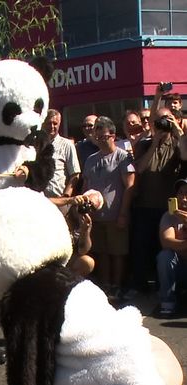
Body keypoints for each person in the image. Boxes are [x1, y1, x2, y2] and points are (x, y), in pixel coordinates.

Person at [130, 107, 185, 295]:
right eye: (159, 120)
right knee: (141, 248)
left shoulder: (178, 143)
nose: (163, 124)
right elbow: (140, 168)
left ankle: (167, 288)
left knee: (164, 249)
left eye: (166, 120)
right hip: (145, 205)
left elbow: (186, 157)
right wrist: (154, 141)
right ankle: (140, 286)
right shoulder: (145, 144)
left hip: (169, 207)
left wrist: (178, 130)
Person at [82, 116, 135, 298]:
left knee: (118, 253)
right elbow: (85, 186)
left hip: (116, 216)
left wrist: (123, 213)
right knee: (102, 252)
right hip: (96, 217)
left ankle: (117, 286)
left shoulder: (122, 157)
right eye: (97, 135)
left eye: (103, 135)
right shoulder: (90, 159)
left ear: (113, 135)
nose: (99, 138)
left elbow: (130, 186)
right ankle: (106, 287)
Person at [156, 178, 187, 317]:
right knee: (164, 256)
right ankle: (167, 302)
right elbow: (166, 242)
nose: (184, 198)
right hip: (179, 266)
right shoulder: (169, 216)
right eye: (181, 193)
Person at [42, 109, 81, 199]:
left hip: (59, 198)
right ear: (43, 123)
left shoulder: (67, 145)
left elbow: (75, 174)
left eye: (55, 123)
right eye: (48, 123)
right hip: (39, 199)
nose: (52, 126)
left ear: (59, 124)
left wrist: (66, 196)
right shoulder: (35, 145)